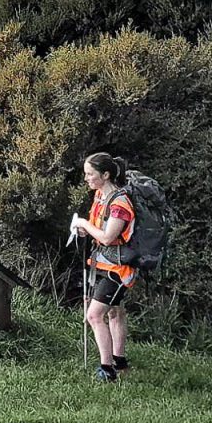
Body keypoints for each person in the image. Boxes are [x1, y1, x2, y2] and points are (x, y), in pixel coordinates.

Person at [72, 152, 135, 382]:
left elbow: (108, 238)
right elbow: (98, 229)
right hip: (103, 263)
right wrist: (84, 229)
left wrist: (83, 224)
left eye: (90, 174)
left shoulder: (120, 204)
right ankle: (120, 363)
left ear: (105, 175)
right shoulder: (101, 196)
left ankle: (107, 370)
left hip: (119, 270)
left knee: (94, 315)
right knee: (115, 312)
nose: (86, 178)